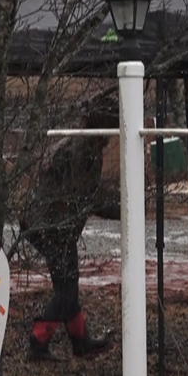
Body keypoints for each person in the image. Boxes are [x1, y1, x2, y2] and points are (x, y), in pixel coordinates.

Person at [20, 93, 119, 361]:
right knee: (65, 291)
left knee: (68, 285)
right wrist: (123, 207)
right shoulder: (84, 150)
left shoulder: (77, 142)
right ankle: (37, 343)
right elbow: (86, 196)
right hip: (52, 227)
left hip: (50, 224)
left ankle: (80, 340)